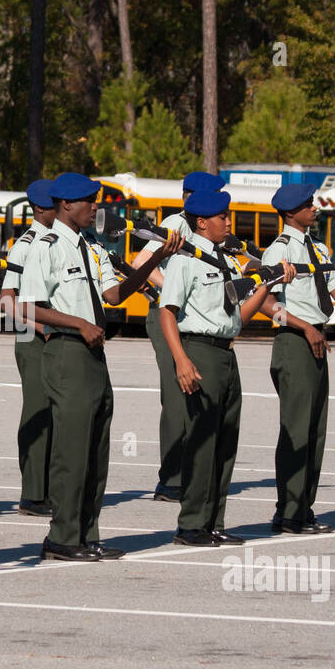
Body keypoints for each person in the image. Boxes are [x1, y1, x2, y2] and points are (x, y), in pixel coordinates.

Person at [21, 172, 182, 561]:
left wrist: (157, 258)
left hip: (93, 353)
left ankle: (87, 533)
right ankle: (61, 537)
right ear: (66, 205)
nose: (96, 208)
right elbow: (28, 306)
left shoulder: (91, 245)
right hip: (66, 351)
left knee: (96, 449)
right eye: (89, 202)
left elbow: (113, 294)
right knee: (72, 450)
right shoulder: (45, 246)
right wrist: (78, 324)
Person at [159, 188, 294, 546]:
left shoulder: (226, 262)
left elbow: (238, 317)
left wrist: (267, 283)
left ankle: (213, 521)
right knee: (201, 443)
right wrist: (181, 359)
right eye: (223, 218)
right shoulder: (185, 260)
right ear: (202, 223)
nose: (228, 223)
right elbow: (167, 312)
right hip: (199, 351)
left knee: (225, 442)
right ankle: (191, 524)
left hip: (226, 353)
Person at [132, 171, 228, 501]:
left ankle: (189, 472)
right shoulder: (178, 222)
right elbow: (140, 260)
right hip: (169, 315)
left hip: (190, 318)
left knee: (192, 394)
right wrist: (172, 289)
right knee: (176, 395)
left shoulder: (201, 227)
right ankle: (171, 479)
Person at [260, 183, 335, 535]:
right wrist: (304, 327)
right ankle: (289, 510)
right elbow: (267, 305)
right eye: (308, 205)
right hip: (295, 341)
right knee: (297, 429)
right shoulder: (277, 252)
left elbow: (333, 296)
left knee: (315, 430)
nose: (315, 208)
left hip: (315, 337)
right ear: (291, 212)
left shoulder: (320, 247)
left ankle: (303, 507)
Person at [0, 179, 57, 516]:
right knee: (37, 412)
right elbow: (8, 304)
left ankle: (49, 486)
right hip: (32, 338)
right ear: (40, 209)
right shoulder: (25, 244)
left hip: (52, 333)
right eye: (55, 205)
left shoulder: (57, 240)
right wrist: (44, 327)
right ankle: (33, 494)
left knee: (55, 415)